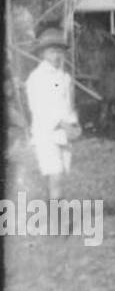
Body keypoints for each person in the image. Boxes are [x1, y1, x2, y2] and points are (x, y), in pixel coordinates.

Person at [24, 27, 81, 199]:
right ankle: (57, 222)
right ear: (42, 53)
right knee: (55, 176)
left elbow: (68, 105)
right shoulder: (37, 78)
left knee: (59, 177)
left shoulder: (64, 77)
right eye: (51, 51)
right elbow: (38, 108)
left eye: (59, 52)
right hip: (46, 134)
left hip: (63, 134)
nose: (56, 56)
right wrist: (62, 123)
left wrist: (74, 124)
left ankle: (52, 215)